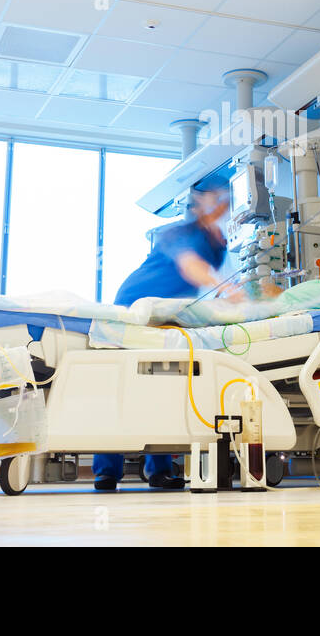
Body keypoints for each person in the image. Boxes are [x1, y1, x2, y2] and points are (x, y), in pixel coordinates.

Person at [94, 182, 243, 492]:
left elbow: (213, 277)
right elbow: (192, 268)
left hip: (169, 318)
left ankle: (158, 471)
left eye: (223, 202)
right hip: (134, 308)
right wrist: (229, 290)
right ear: (198, 206)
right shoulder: (177, 233)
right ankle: (106, 471)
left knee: (161, 389)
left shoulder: (217, 243)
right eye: (214, 201)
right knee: (119, 387)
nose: (221, 207)